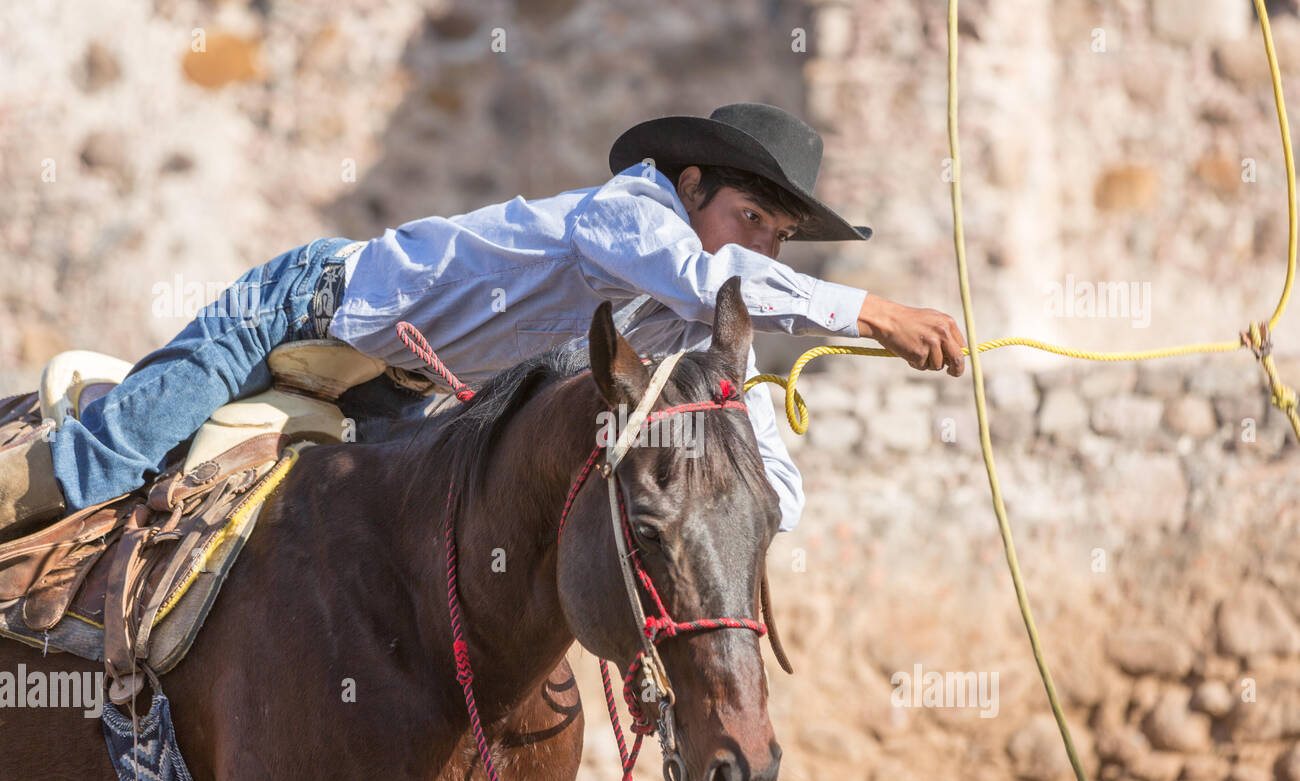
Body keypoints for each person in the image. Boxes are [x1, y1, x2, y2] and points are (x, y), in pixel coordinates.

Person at [0, 102, 965, 540]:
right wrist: (874, 313)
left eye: (781, 237)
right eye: (752, 221)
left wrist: (766, 505)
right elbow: (708, 277)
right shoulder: (630, 216)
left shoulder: (685, 311)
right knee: (106, 464)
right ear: (690, 183)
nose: (764, 251)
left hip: (399, 390)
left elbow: (744, 418)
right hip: (300, 305)